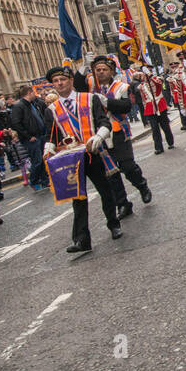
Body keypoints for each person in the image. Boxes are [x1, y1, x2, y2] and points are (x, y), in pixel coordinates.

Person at [42, 65, 121, 254]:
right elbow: (50, 135)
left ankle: (114, 224)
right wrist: (48, 148)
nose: (59, 83)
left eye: (62, 79)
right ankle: (81, 240)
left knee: (105, 191)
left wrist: (99, 136)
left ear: (70, 81)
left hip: (93, 152)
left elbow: (104, 121)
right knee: (78, 198)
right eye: (55, 81)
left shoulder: (89, 99)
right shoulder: (51, 110)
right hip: (71, 159)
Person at [79, 54, 151, 214]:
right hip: (100, 136)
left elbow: (126, 106)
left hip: (119, 133)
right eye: (97, 69)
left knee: (128, 167)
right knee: (110, 174)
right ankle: (123, 204)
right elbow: (77, 85)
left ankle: (142, 185)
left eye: (104, 69)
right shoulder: (90, 89)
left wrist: (106, 102)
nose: (100, 72)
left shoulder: (121, 87)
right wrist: (83, 66)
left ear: (111, 71)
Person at [10, 84, 50, 192]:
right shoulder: (19, 106)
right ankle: (34, 181)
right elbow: (16, 124)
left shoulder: (32, 104)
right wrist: (28, 136)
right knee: (37, 161)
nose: (35, 94)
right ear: (29, 93)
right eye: (33, 92)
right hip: (31, 138)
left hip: (39, 136)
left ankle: (45, 180)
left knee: (42, 160)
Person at [132, 68, 174, 153]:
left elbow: (159, 82)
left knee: (165, 126)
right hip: (150, 109)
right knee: (155, 129)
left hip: (160, 106)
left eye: (144, 74)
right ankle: (158, 147)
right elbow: (143, 98)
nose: (143, 76)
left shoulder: (156, 80)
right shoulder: (142, 86)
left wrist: (151, 75)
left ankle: (170, 142)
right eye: (142, 75)